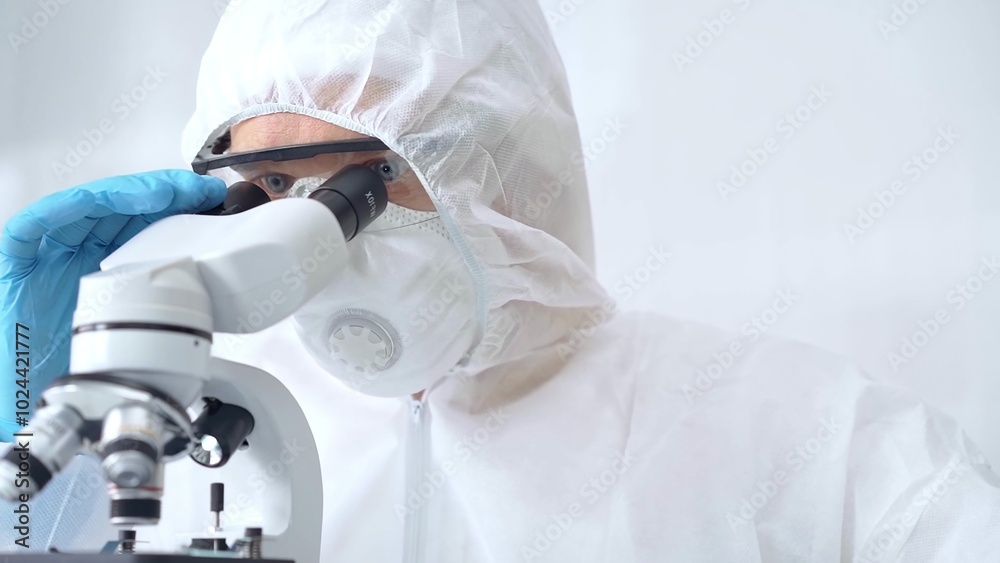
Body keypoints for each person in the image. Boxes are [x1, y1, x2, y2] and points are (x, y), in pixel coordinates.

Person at [3, 0, 1000, 560]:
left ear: (500, 167)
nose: (315, 240)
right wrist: (25, 396)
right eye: (268, 186)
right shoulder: (212, 435)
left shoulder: (793, 431)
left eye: (364, 183)